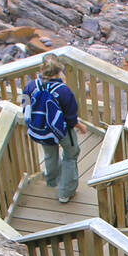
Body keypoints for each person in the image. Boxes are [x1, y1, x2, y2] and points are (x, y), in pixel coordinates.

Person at [22, 57, 84, 203]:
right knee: (71, 155)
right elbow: (70, 118)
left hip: (41, 130)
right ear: (59, 71)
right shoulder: (64, 91)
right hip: (62, 131)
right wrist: (80, 126)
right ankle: (65, 193)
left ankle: (51, 181)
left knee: (50, 154)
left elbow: (25, 107)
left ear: (41, 69)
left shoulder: (30, 86)